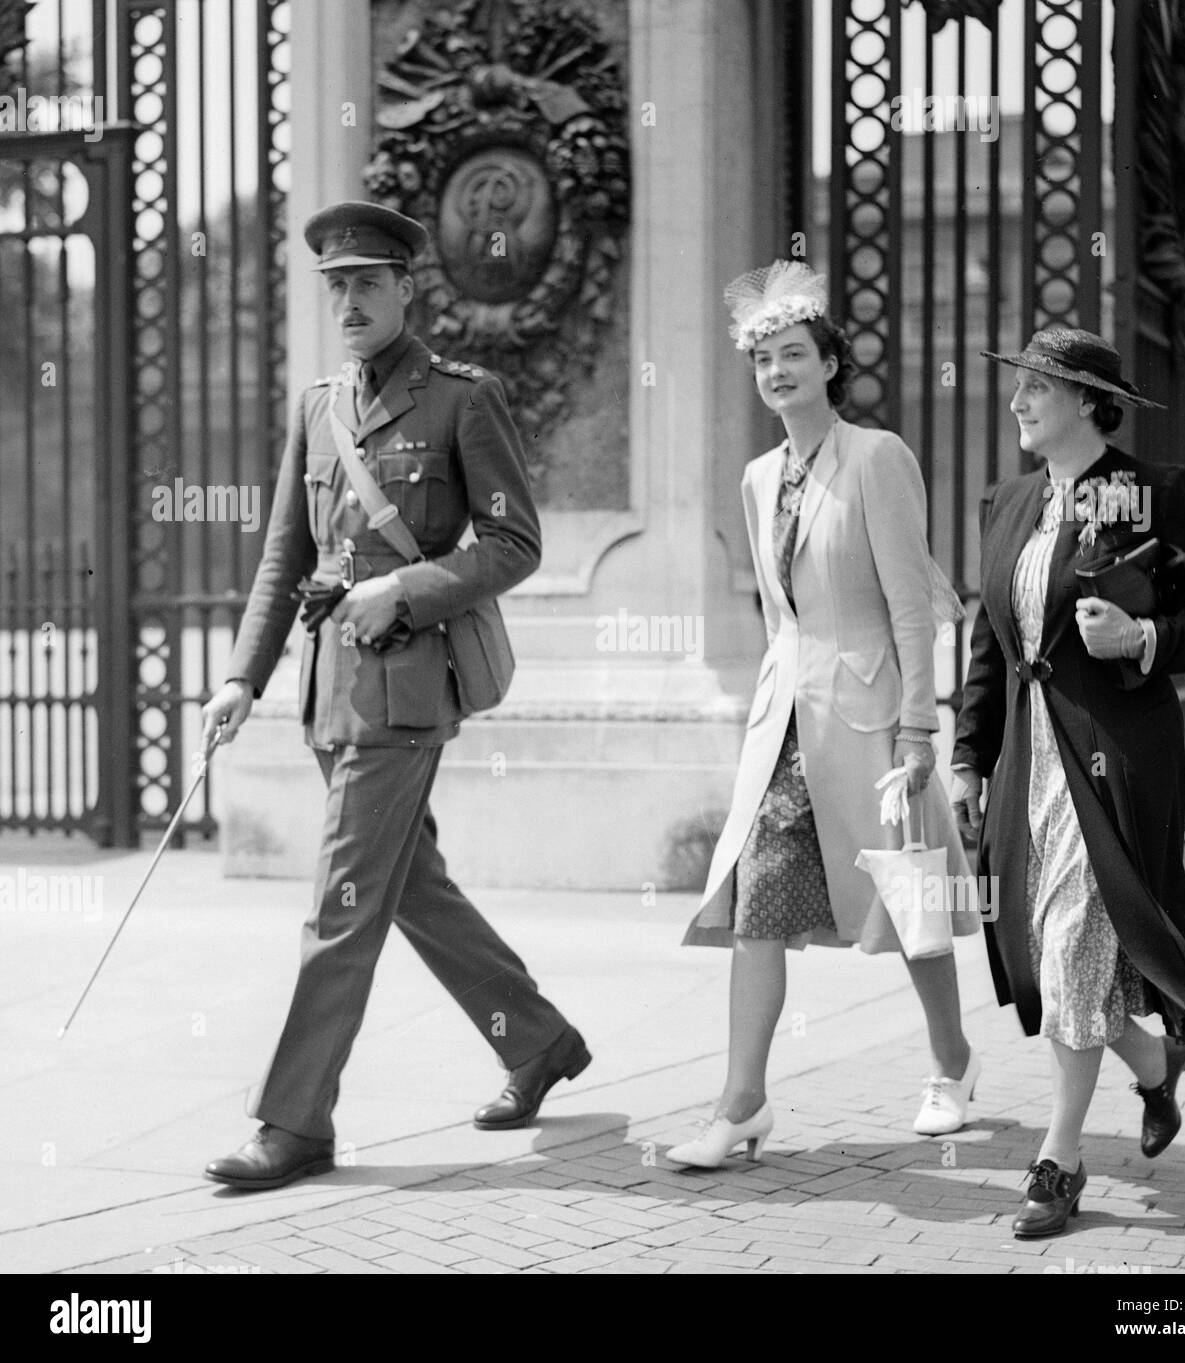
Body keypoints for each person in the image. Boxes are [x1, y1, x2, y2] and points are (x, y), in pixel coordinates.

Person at [200, 201, 589, 1191]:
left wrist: (405, 587)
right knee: (405, 884)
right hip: (329, 690)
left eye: (367, 282)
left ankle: (293, 1121)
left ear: (406, 288)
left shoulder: (463, 398)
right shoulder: (315, 405)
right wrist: (243, 675)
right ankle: (535, 1039)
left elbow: (513, 543)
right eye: (336, 286)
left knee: (340, 902)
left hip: (406, 695)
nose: (350, 301)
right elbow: (285, 553)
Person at [667, 261, 980, 1169]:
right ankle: (741, 1103)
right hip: (786, 728)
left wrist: (920, 729)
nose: (778, 372)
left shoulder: (878, 457)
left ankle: (952, 1063)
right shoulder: (758, 477)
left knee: (908, 893)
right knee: (755, 898)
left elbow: (909, 605)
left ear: (831, 363)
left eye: (794, 353)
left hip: (874, 720)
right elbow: (779, 618)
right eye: (763, 359)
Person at [950, 327, 1185, 1237]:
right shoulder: (1007, 501)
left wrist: (1142, 640)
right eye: (1020, 385)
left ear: (1086, 401)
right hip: (1024, 757)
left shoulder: (1156, 494)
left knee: (1075, 934)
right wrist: (967, 753)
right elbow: (991, 645)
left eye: (1039, 387)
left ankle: (1059, 1158)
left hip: (1112, 748)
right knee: (1053, 947)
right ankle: (1155, 1067)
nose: (1020, 401)